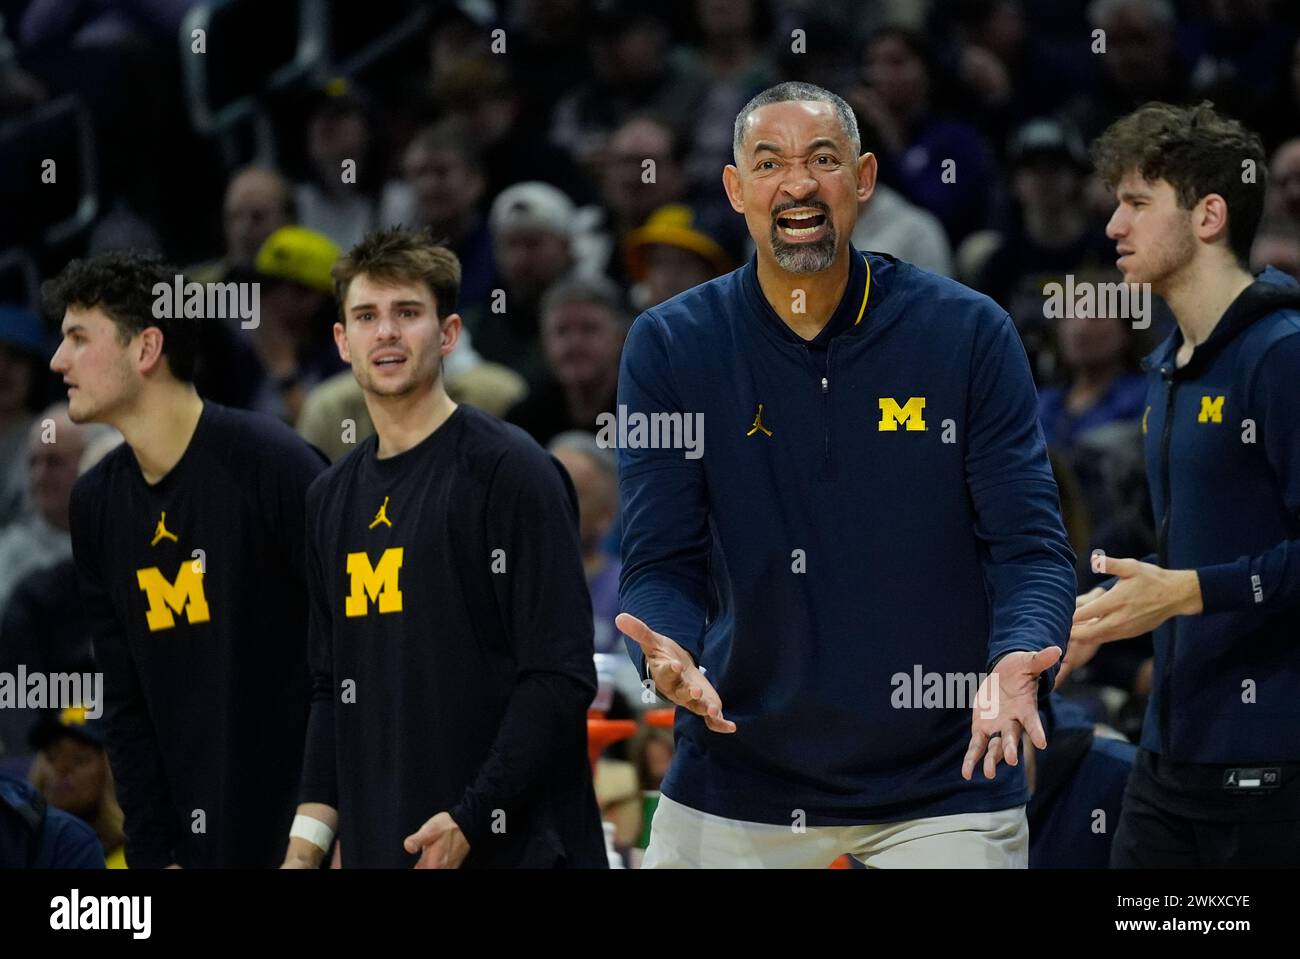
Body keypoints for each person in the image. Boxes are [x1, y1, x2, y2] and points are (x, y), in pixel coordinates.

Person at [617, 81, 1075, 868]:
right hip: (738, 769)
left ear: (862, 179)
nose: (797, 183)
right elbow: (661, 563)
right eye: (770, 163)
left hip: (943, 779)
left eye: (821, 159)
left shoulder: (967, 332)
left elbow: (1029, 549)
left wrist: (1020, 652)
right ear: (735, 189)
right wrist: (667, 659)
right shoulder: (669, 347)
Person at [282, 227, 605, 869]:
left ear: (448, 334)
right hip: (389, 848)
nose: (388, 333)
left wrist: (471, 818)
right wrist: (304, 851)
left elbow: (560, 678)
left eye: (408, 313)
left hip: (518, 848)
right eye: (367, 316)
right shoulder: (327, 499)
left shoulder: (511, 471)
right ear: (342, 341)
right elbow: (330, 688)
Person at [1063, 101, 1300, 867]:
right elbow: (1180, 550)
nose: (1113, 227)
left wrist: (1187, 591)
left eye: (1136, 203)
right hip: (1170, 756)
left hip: (1274, 763)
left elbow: (1199, 575)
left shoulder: (1281, 355)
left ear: (1208, 215)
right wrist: (1096, 614)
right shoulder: (1168, 369)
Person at [47, 253, 326, 867]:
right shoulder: (95, 504)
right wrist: (155, 853)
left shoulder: (272, 462)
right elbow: (124, 705)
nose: (57, 361)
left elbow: (355, 656)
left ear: (146, 348)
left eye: (76, 338)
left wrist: (331, 827)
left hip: (307, 835)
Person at [28, 705, 127, 867]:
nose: (61, 768)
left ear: (111, 770)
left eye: (80, 759)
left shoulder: (137, 857)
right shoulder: (20, 852)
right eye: (51, 757)